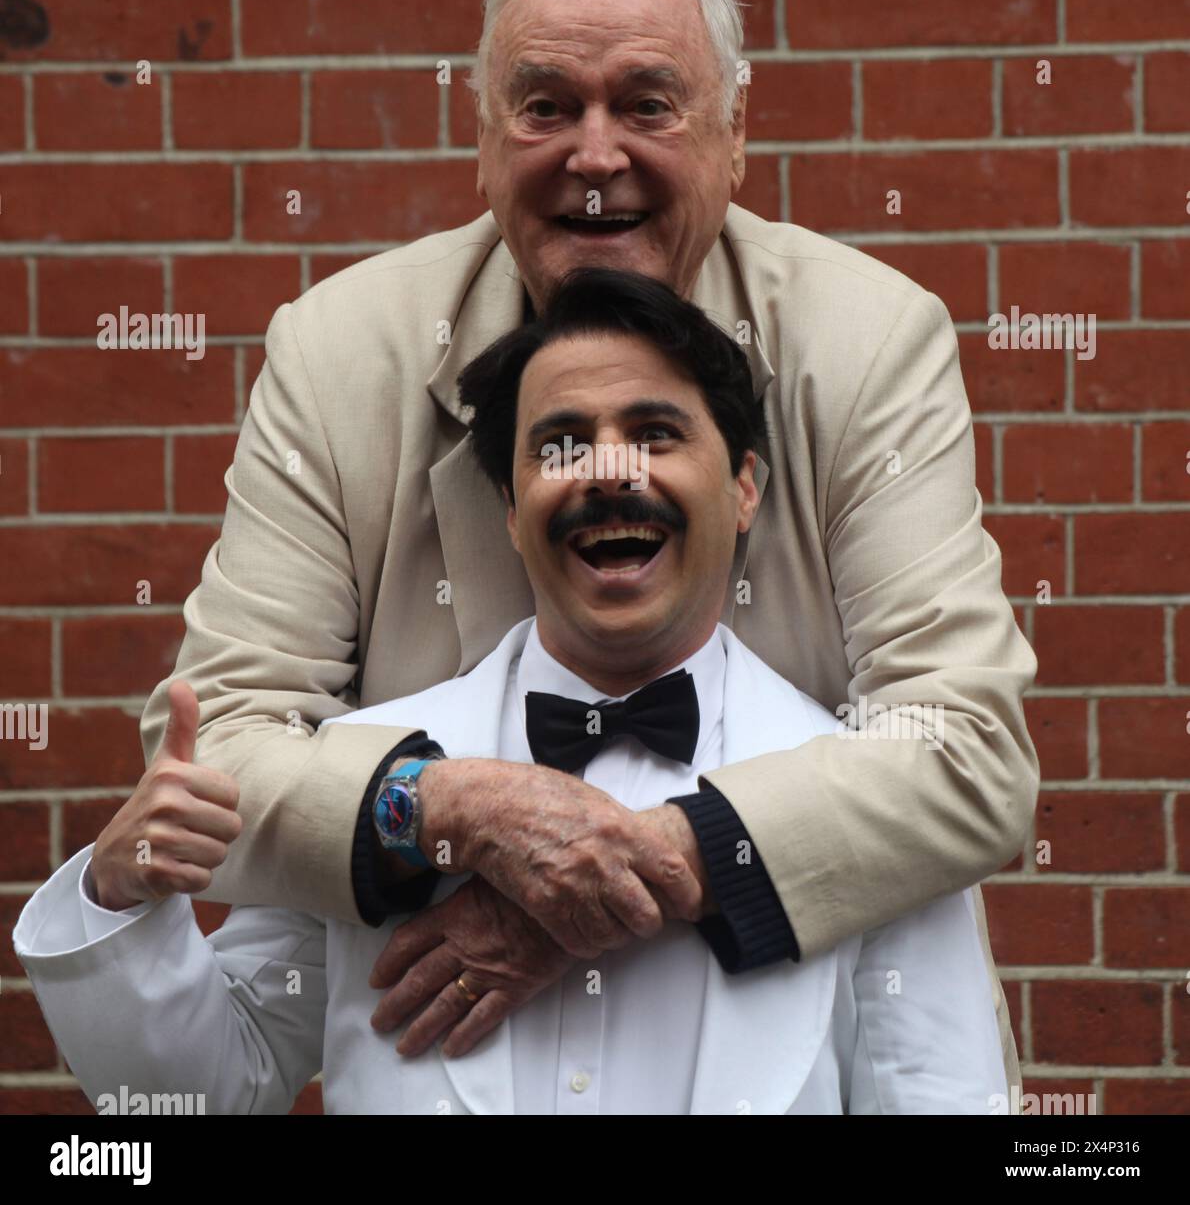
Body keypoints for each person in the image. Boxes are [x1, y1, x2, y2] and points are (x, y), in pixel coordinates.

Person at [127, 0, 1036, 1080]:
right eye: (544, 106)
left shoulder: (866, 341)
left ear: (734, 130)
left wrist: (617, 874)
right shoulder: (339, 353)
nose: (593, 157)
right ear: (483, 138)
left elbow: (963, 748)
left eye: (646, 104)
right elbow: (215, 757)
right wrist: (449, 811)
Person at [16, 271, 1010, 1115]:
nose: (610, 473)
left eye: (656, 432)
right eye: (561, 443)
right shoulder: (355, 779)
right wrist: (119, 899)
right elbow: (213, 1084)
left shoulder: (877, 811)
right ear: (507, 506)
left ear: (744, 486)